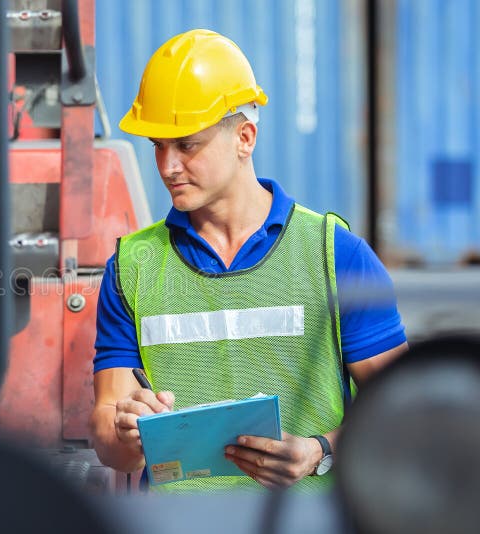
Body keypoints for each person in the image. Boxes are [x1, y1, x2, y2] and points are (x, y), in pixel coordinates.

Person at [90, 29, 407, 492]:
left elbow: (404, 412)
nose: (167, 166)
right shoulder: (131, 267)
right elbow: (108, 437)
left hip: (303, 520)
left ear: (244, 137)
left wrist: (319, 451)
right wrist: (126, 432)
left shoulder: (336, 255)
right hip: (175, 522)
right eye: (158, 145)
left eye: (187, 145)